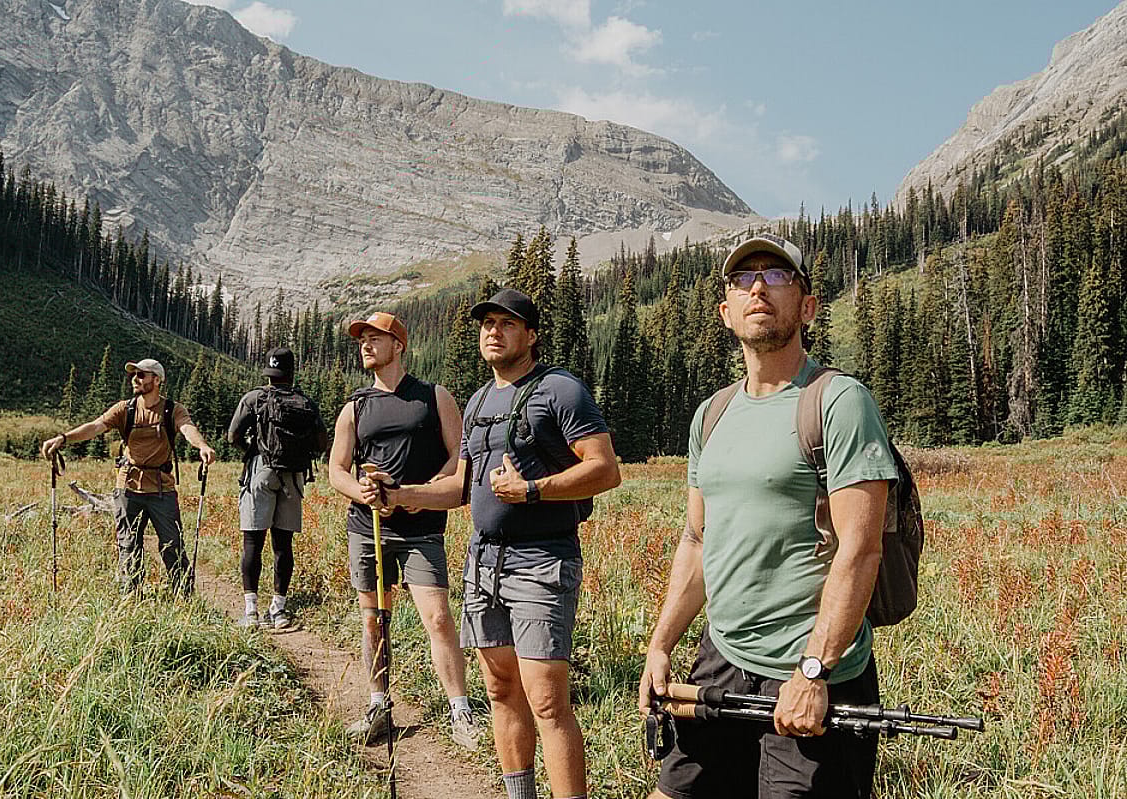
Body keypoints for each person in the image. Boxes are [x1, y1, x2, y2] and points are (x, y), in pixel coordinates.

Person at [637, 233, 899, 799]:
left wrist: (813, 672)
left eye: (777, 275)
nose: (759, 286)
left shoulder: (838, 401)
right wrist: (661, 644)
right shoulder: (712, 414)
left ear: (806, 307)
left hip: (811, 673)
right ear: (726, 311)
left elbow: (862, 548)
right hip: (722, 659)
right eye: (744, 278)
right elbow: (695, 540)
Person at [364, 289, 621, 799]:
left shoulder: (560, 391)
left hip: (542, 560)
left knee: (547, 701)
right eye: (487, 323)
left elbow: (605, 469)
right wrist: (400, 494)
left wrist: (533, 490)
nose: (493, 331)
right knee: (501, 690)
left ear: (531, 335)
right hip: (483, 562)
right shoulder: (480, 400)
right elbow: (461, 485)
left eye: (507, 323)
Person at [326, 311, 483, 751]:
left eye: (376, 338)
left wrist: (419, 493)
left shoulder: (435, 397)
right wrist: (361, 492)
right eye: (362, 340)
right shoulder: (355, 407)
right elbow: (336, 469)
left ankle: (460, 710)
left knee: (437, 617)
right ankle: (378, 706)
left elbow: (459, 458)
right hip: (368, 524)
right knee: (374, 619)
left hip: (422, 528)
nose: (366, 346)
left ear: (400, 346)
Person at [41, 358, 216, 595]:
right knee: (128, 545)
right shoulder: (125, 409)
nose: (135, 379)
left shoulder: (172, 410)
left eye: (142, 375)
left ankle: (184, 596)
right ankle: (130, 596)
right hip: (128, 487)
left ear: (156, 380)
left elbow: (187, 428)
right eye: (134, 375)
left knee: (172, 545)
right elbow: (95, 426)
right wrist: (63, 438)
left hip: (161, 489)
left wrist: (202, 446)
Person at [228, 346, 328, 629]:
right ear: (291, 373)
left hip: (260, 470)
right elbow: (321, 443)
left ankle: (251, 611)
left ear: (268, 373)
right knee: (283, 545)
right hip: (294, 476)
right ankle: (279, 609)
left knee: (252, 543)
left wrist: (250, 450)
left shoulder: (255, 398)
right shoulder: (305, 402)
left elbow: (232, 434)